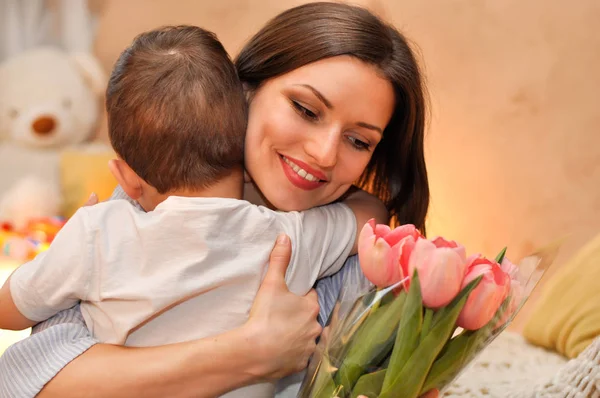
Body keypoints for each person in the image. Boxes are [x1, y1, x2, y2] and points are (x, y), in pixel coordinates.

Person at [0, 2, 430, 397]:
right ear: (242, 90)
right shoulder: (141, 204)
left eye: (358, 140)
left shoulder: (358, 259)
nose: (324, 153)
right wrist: (247, 353)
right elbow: (31, 376)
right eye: (305, 109)